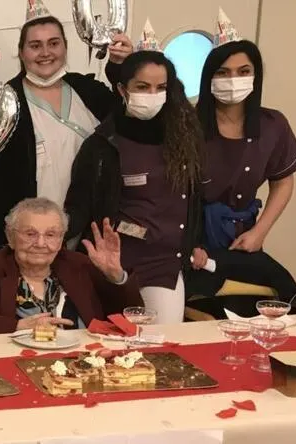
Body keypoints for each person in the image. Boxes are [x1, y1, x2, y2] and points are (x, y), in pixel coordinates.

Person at [0, 0, 130, 248]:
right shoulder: (2, 104)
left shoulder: (90, 92)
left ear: (65, 47)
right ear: (22, 52)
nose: (45, 52)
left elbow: (129, 118)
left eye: (54, 43)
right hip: (30, 239)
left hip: (90, 236)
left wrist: (120, 66)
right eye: (35, 46)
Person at [65, 50, 206, 324]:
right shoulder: (102, 144)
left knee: (163, 342)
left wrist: (197, 243)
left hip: (164, 266)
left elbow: (197, 200)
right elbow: (80, 205)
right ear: (122, 89)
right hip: (112, 264)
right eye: (142, 87)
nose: (152, 94)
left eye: (160, 88)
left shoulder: (185, 139)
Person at [188, 10, 296, 303]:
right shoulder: (188, 125)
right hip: (194, 241)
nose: (234, 80)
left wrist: (259, 232)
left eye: (243, 72)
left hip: (244, 238)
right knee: (208, 303)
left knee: (278, 295)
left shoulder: (272, 124)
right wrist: (186, 245)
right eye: (223, 72)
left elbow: (283, 181)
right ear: (209, 78)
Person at [0, 198, 142, 336]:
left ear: (61, 239)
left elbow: (131, 317)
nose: (41, 243)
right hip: (13, 364)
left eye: (51, 235)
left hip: (81, 365)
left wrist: (116, 276)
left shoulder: (79, 265)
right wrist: (17, 326)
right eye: (30, 234)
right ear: (10, 237)